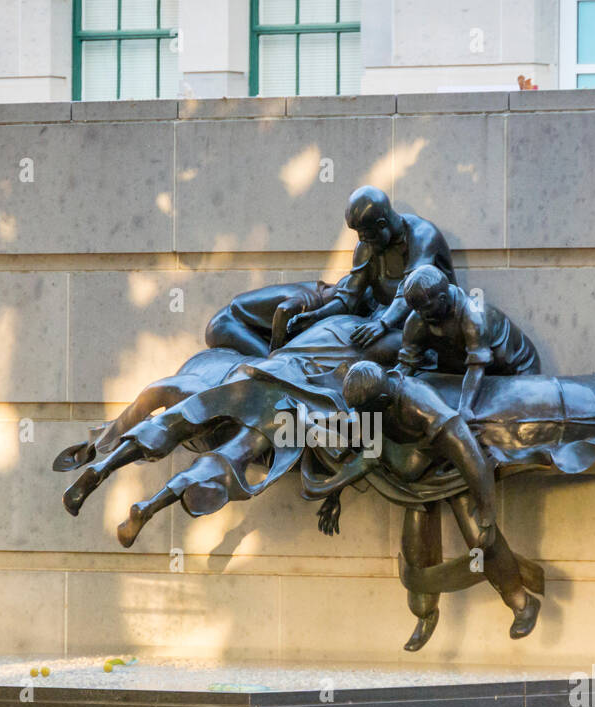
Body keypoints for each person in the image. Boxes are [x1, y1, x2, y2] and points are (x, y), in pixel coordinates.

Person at [341, 361, 540, 650]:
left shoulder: (422, 405)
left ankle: (521, 603)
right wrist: (333, 493)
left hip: (456, 469)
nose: (361, 417)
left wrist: (486, 512)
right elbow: (369, 455)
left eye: (365, 412)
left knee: (480, 539)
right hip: (418, 478)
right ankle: (425, 615)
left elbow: (473, 461)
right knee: (415, 547)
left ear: (383, 401)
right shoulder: (370, 405)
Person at [285, 186, 456, 351]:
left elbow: (412, 290)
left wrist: (383, 324)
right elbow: (349, 296)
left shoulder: (422, 235)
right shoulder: (367, 244)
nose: (362, 240)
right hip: (382, 318)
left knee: (357, 349)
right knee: (328, 332)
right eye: (359, 234)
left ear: (382, 224)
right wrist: (317, 316)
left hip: (428, 323)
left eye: (367, 234)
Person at [395, 265, 541, 421]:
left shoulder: (473, 316)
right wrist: (387, 385)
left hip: (516, 370)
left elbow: (476, 368)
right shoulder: (418, 318)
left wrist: (465, 408)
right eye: (416, 309)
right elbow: (407, 364)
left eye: (427, 308)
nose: (421, 314)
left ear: (443, 298)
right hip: (467, 370)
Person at [203, 279, 339, 357]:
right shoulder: (310, 299)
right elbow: (284, 310)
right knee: (272, 364)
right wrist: (276, 349)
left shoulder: (314, 289)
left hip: (245, 325)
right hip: (226, 324)